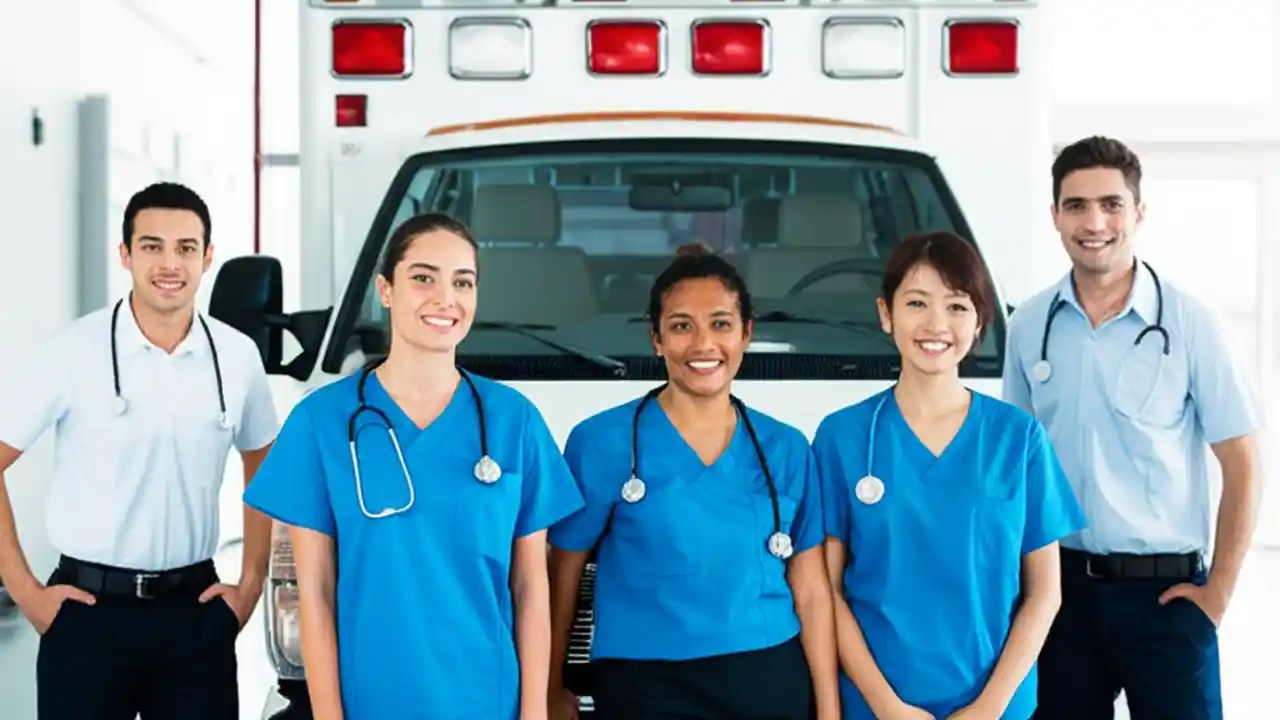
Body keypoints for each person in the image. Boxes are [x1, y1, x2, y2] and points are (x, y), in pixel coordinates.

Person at [242, 212, 585, 718]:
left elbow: (531, 588)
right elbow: (315, 593)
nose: (446, 298)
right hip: (371, 701)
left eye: (462, 282)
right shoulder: (322, 422)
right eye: (423, 277)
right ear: (385, 289)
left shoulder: (514, 422)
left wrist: (534, 714)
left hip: (486, 699)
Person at [1003, 136, 1262, 719]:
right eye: (1076, 206)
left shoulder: (1191, 322)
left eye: (1111, 204)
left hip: (1166, 598)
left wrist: (1216, 594)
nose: (1094, 222)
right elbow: (1016, 466)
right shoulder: (1030, 325)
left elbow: (1243, 461)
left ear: (1138, 213)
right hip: (1060, 594)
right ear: (1055, 217)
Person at [0, 182, 280, 719]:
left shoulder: (236, 357)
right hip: (86, 615)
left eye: (186, 248)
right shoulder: (73, 351)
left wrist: (250, 584)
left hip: (195, 615)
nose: (169, 263)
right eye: (152, 246)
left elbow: (261, 460)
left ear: (208, 257)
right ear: (125, 254)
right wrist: (25, 590)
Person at [546, 247, 840, 720]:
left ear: (747, 334)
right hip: (645, 684)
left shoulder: (785, 448)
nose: (704, 343)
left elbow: (811, 589)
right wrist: (550, 685)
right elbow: (563, 574)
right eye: (682, 325)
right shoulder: (601, 443)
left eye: (721, 324)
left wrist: (828, 710)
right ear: (656, 339)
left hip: (768, 679)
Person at [814, 231, 1086, 720]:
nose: (936, 324)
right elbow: (826, 590)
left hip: (995, 704)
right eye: (917, 302)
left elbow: (1045, 594)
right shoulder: (843, 437)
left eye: (957, 306)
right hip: (877, 705)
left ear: (980, 320)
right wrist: (886, 705)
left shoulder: (1017, 438)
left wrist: (988, 709)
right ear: (885, 313)